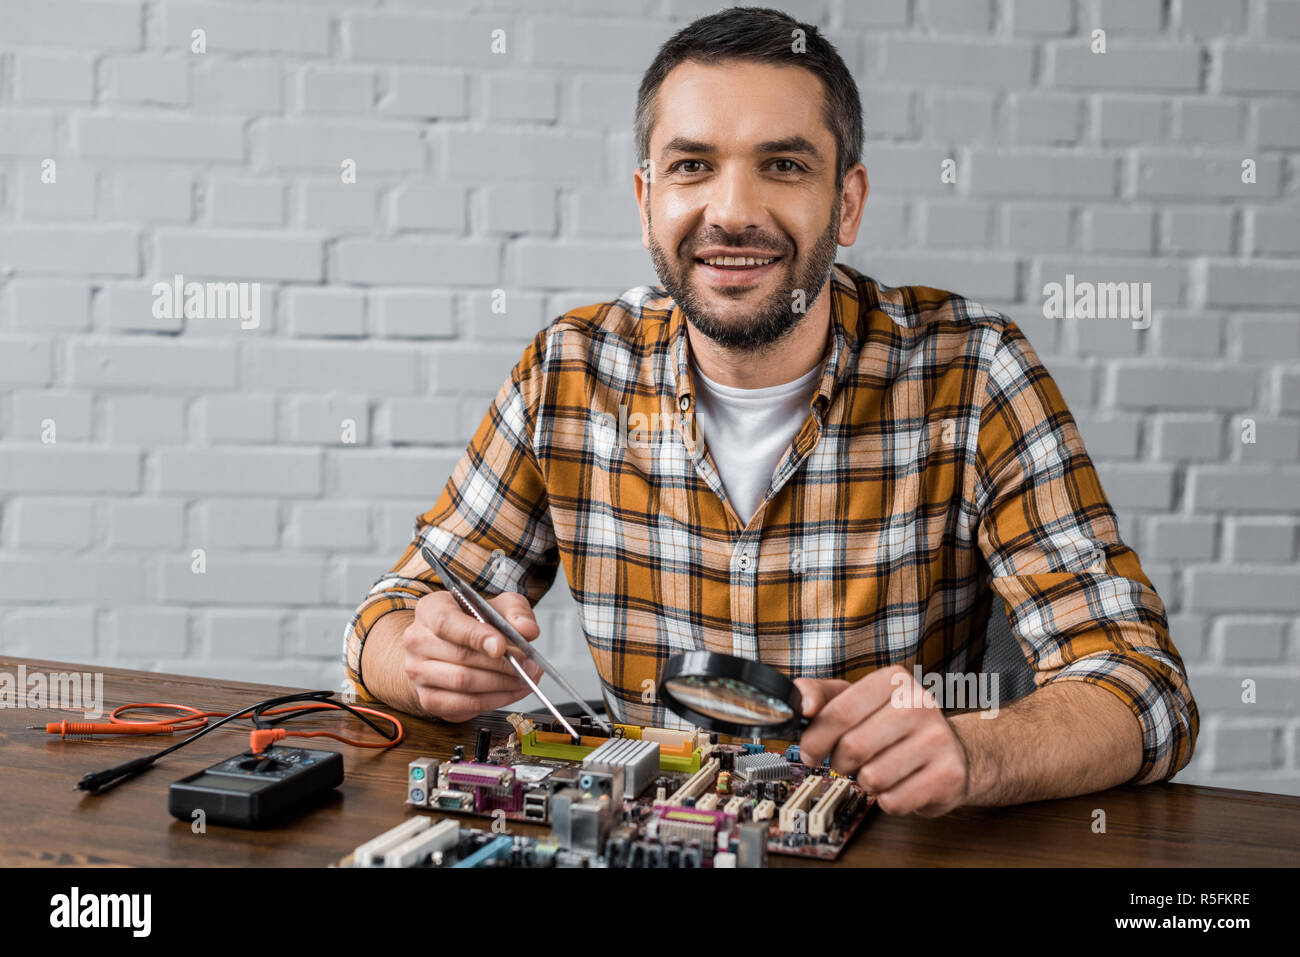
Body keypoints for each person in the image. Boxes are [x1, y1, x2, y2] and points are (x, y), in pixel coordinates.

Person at [343, 7, 1197, 816]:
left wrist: (978, 751)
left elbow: (1142, 682)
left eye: (783, 165)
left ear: (848, 202)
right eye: (692, 165)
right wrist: (421, 659)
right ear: (646, 200)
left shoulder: (972, 375)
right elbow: (386, 617)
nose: (734, 212)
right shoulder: (568, 373)